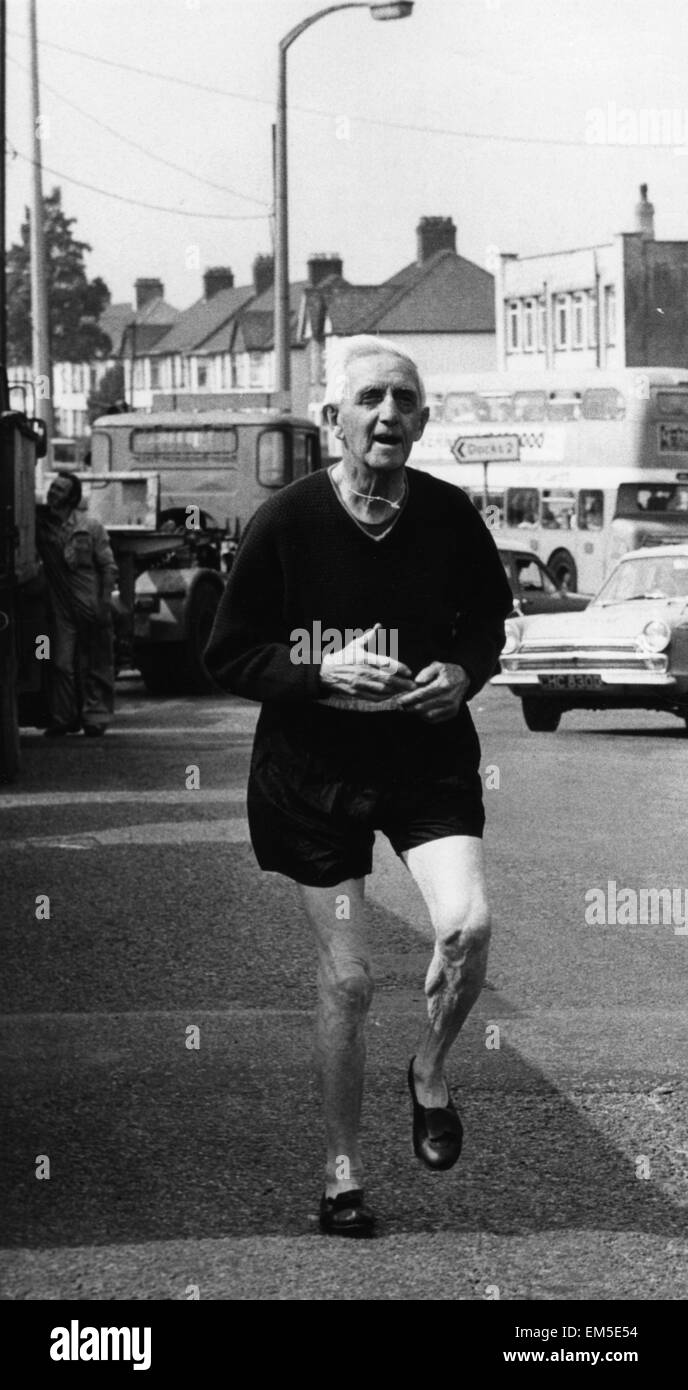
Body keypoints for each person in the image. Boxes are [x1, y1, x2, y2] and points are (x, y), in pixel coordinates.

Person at [204, 336, 513, 1237]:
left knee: (467, 925)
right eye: (370, 397)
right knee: (348, 980)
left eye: (404, 401)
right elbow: (226, 652)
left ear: (423, 420)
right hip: (316, 776)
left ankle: (428, 1069)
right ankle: (342, 1178)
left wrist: (464, 672)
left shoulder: (452, 516)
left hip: (425, 763)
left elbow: (488, 626)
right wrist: (320, 675)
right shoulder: (288, 522)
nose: (387, 414)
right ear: (332, 418)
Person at [36, 470, 118, 737]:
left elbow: (108, 567)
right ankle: (64, 718)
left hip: (90, 602)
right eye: (52, 487)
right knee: (60, 663)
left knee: (95, 663)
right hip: (61, 607)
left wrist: (105, 604)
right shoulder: (42, 525)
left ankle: (96, 718)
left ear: (71, 497)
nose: (52, 492)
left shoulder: (89, 526)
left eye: (59, 490)